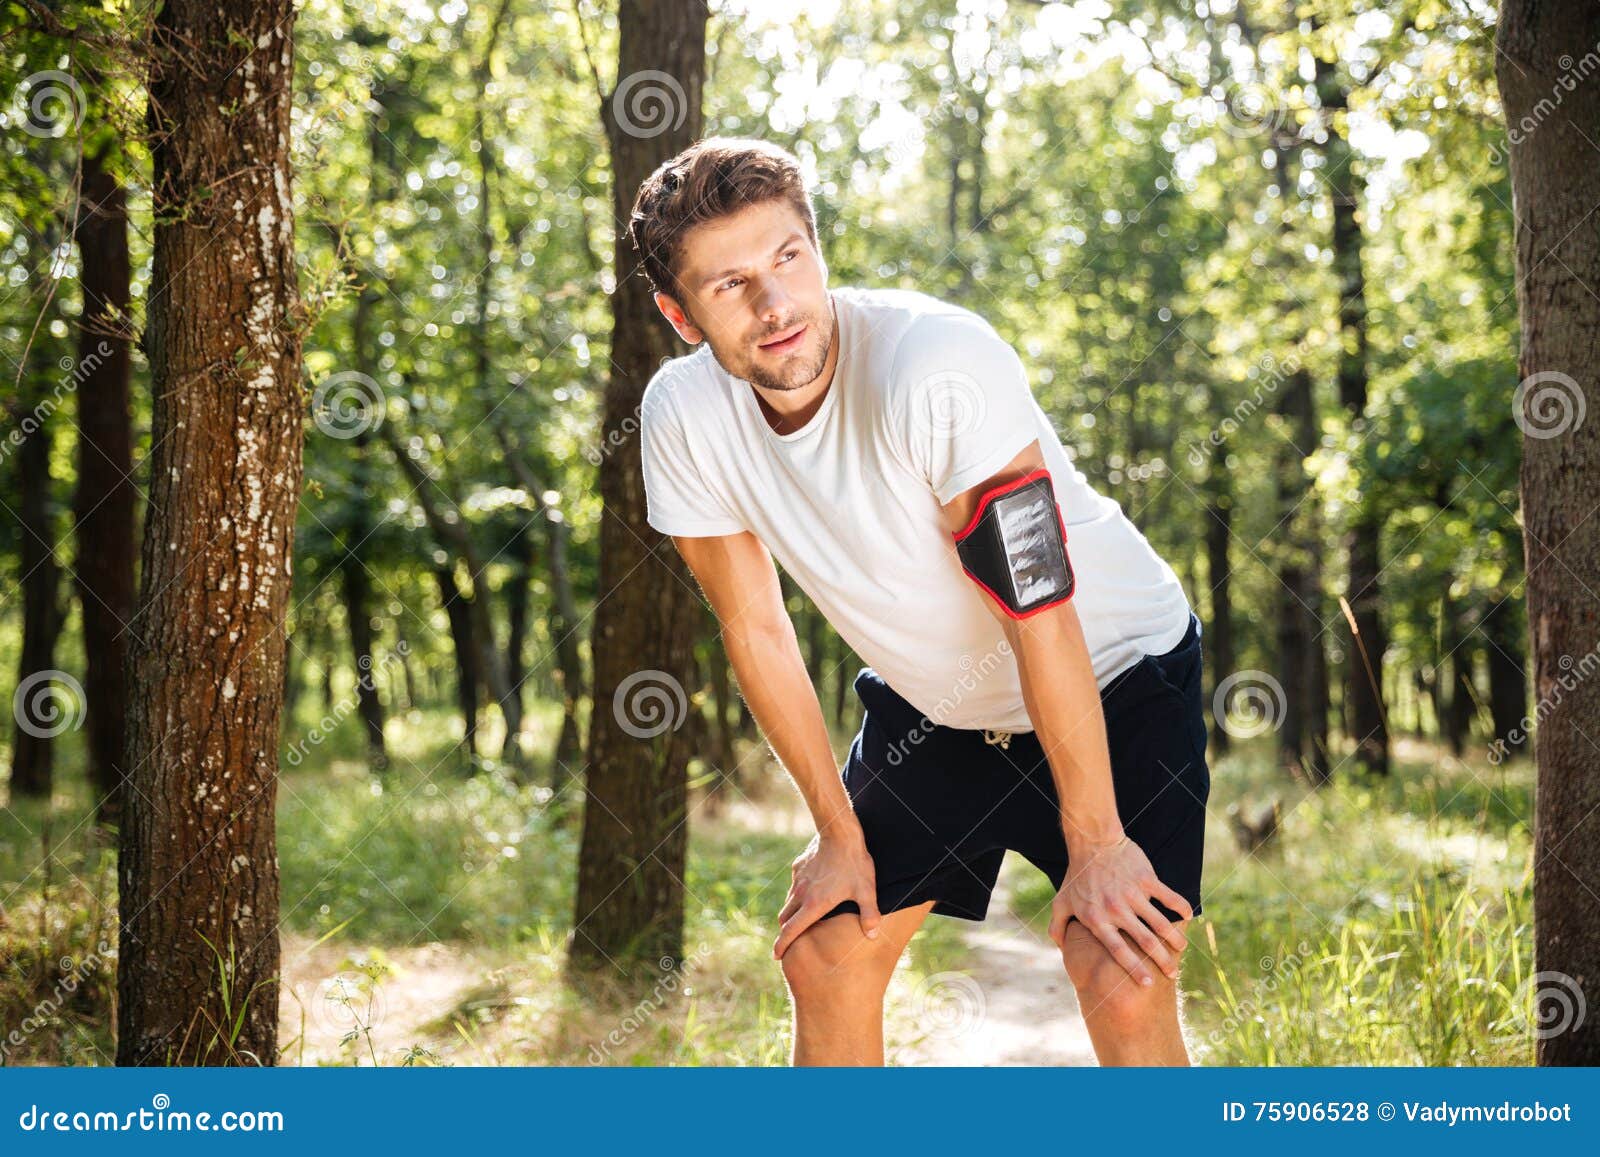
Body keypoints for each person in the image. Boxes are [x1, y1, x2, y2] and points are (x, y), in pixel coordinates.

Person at [632, 136, 1210, 1066]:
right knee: (826, 951)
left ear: (818, 249)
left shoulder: (934, 362)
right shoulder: (683, 419)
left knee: (1120, 968)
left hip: (1113, 673)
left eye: (787, 257)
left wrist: (1097, 841)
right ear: (680, 314)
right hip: (938, 705)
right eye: (729, 284)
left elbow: (1038, 605)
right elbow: (758, 629)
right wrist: (835, 832)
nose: (775, 304)